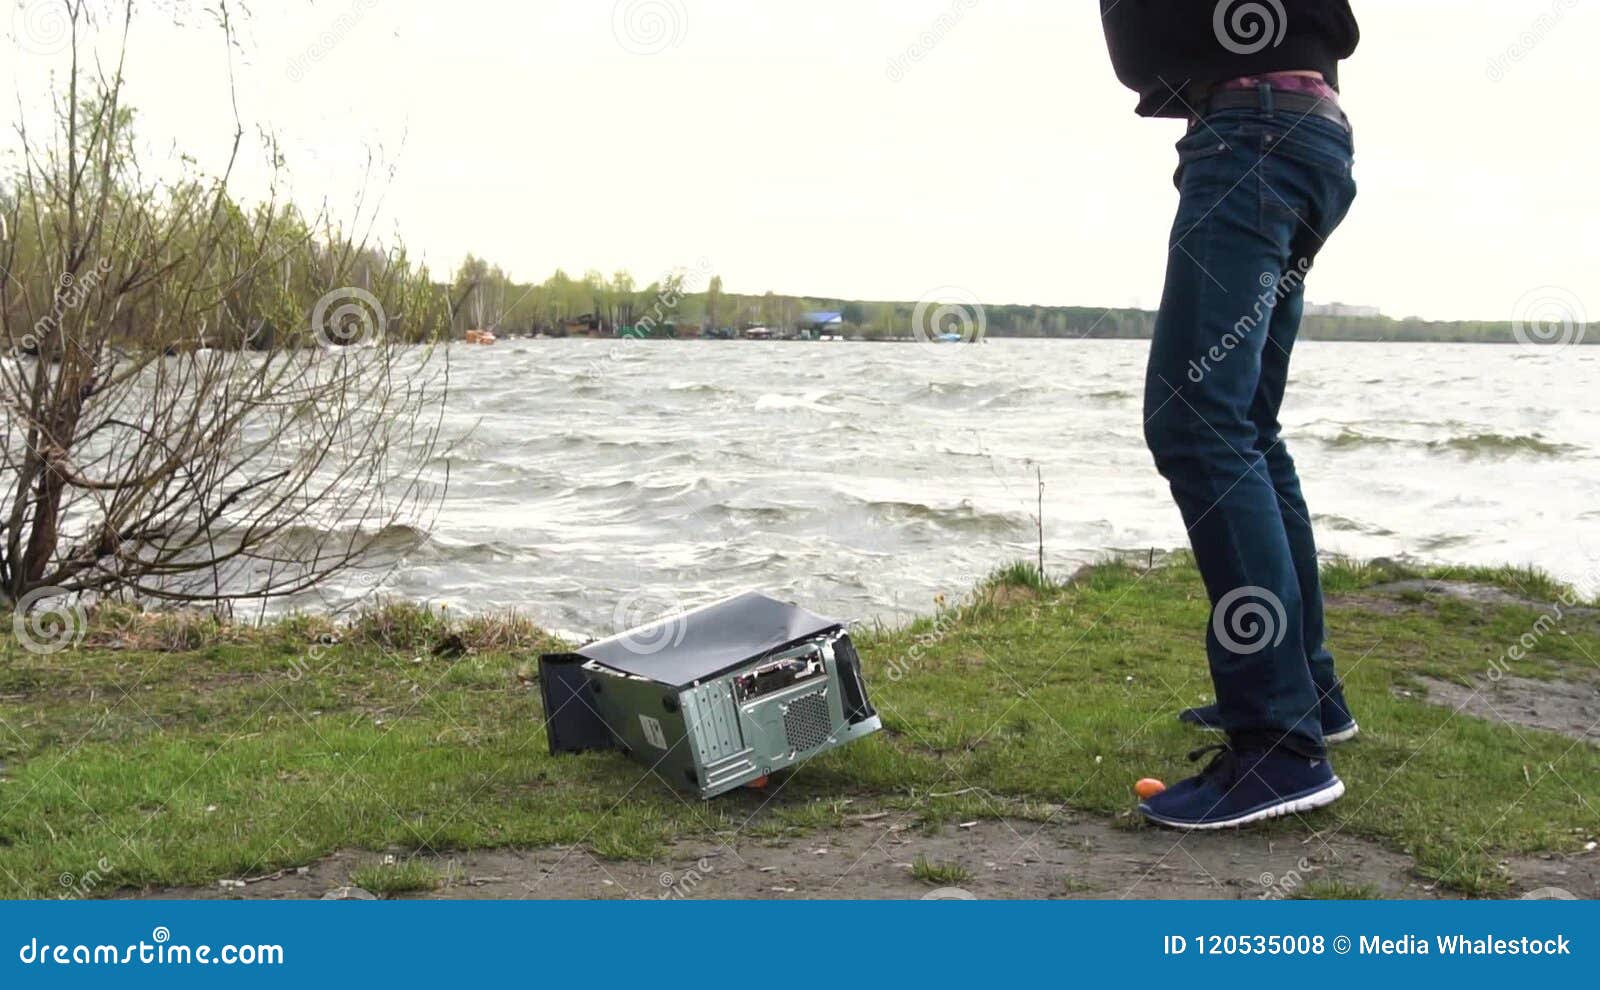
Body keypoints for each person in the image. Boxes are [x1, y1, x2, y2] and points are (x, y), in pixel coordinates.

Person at [1099, 1, 1361, 829]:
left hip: (1255, 137)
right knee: (1244, 423)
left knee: (1196, 421)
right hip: (1296, 128)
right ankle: (1308, 696)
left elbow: (1146, 42)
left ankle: (1279, 743)